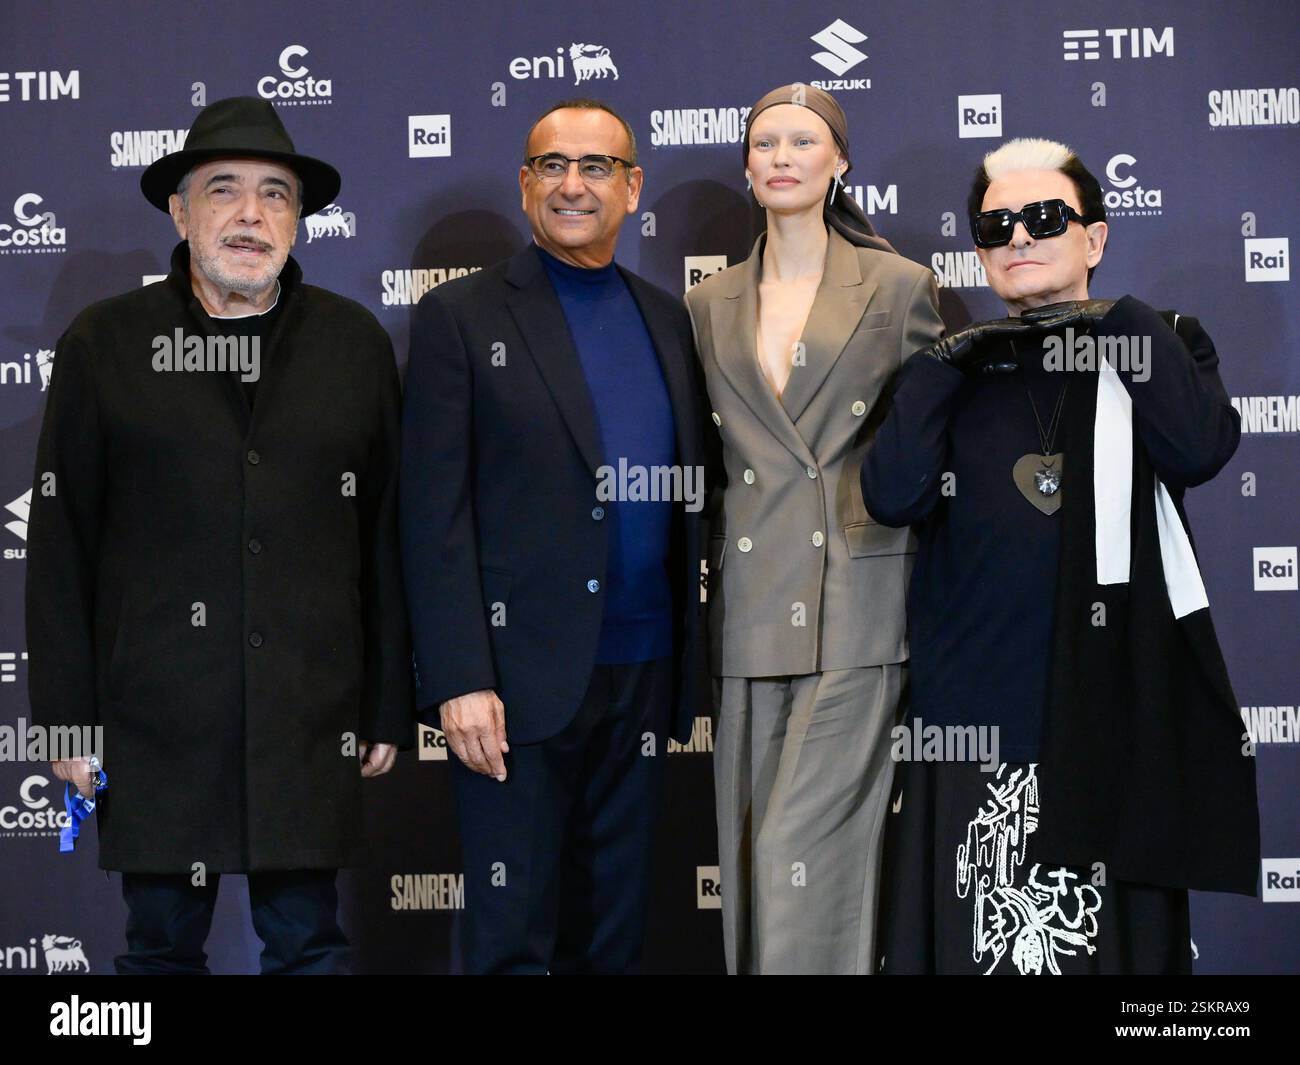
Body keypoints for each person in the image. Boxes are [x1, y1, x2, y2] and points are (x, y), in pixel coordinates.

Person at [26, 96, 414, 975]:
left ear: (300, 216)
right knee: (158, 949)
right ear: (180, 209)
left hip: (308, 714)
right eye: (225, 190)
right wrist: (66, 724)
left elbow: (386, 536)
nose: (251, 215)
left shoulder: (352, 344)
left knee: (310, 945)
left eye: (275, 194)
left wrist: (386, 700)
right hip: (156, 720)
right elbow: (59, 552)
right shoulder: (105, 344)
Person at [861, 137, 1260, 974]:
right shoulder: (957, 371)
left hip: (1113, 706)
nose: (1019, 237)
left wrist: (1116, 320)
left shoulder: (1162, 345)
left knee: (1113, 955)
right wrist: (937, 368)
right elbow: (892, 496)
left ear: (1096, 238)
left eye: (1045, 218)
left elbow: (1196, 447)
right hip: (975, 716)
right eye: (995, 225)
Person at [400, 98, 709, 974]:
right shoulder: (463, 316)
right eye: (552, 166)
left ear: (633, 186)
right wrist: (461, 676)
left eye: (597, 166)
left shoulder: (669, 317)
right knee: (511, 937)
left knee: (614, 933)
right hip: (516, 683)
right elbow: (433, 513)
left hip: (645, 675)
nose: (573, 185)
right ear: (525, 184)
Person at [684, 83, 943, 974]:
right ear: (748, 166)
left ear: (839, 163)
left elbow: (927, 451)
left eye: (804, 141)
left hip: (860, 607)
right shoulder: (708, 302)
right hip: (751, 611)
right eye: (765, 143)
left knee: (813, 861)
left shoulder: (902, 287)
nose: (783, 156)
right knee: (756, 858)